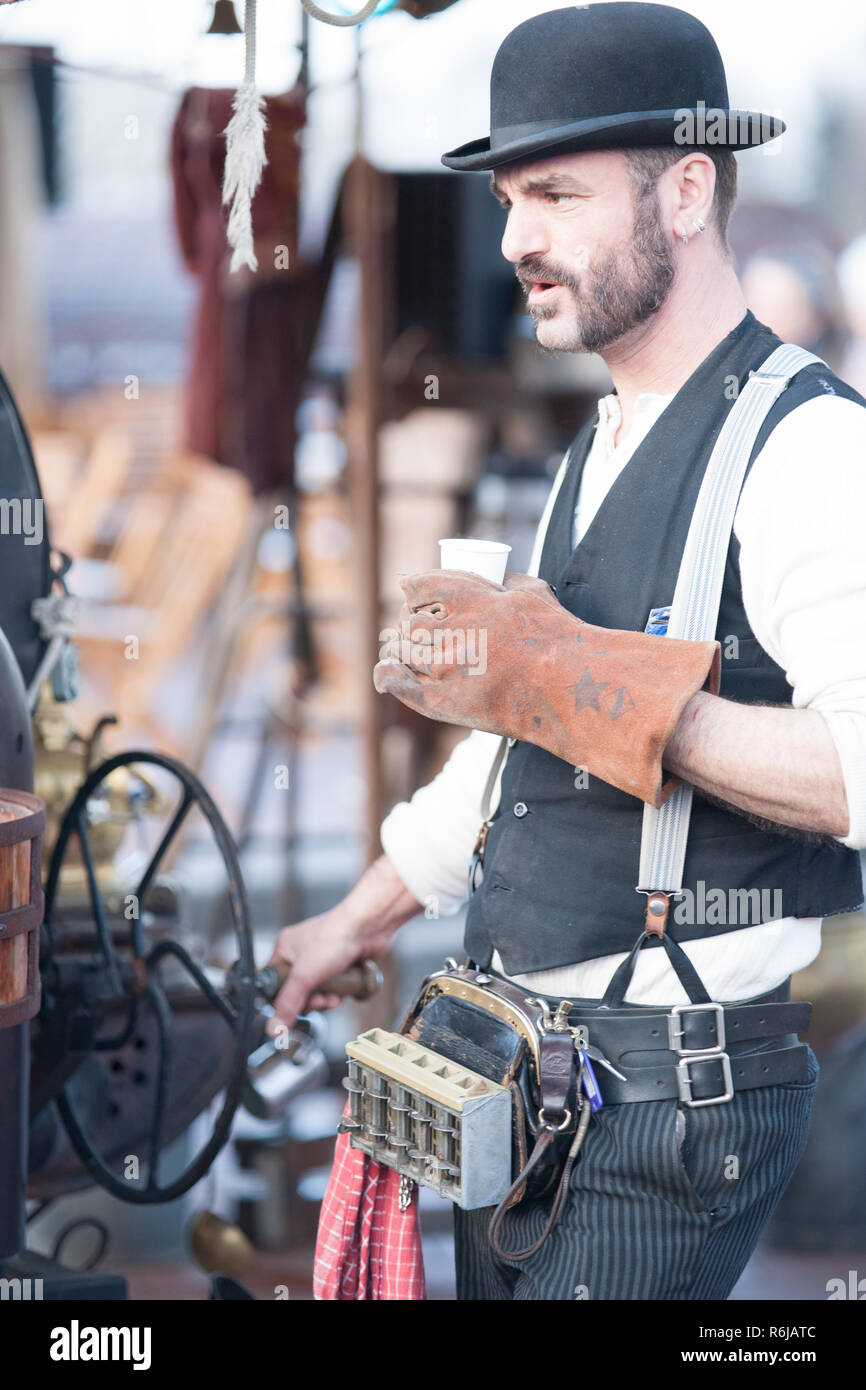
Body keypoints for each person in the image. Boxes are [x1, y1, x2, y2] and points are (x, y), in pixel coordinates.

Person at [269, 3, 866, 1300]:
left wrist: (574, 678)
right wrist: (346, 919)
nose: (512, 240)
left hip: (668, 1101)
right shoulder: (594, 447)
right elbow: (503, 768)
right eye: (504, 199)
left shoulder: (812, 450)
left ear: (687, 190)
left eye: (551, 193)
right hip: (521, 1064)